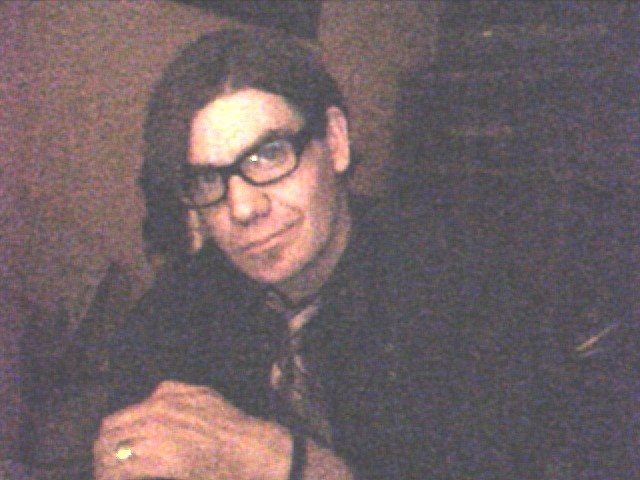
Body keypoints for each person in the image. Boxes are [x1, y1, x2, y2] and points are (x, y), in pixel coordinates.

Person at [88, 26, 637, 480]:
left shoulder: (468, 290)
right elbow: (126, 443)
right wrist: (126, 454)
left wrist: (282, 463)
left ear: (335, 141)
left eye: (269, 156)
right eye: (209, 179)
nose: (243, 207)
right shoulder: (177, 307)